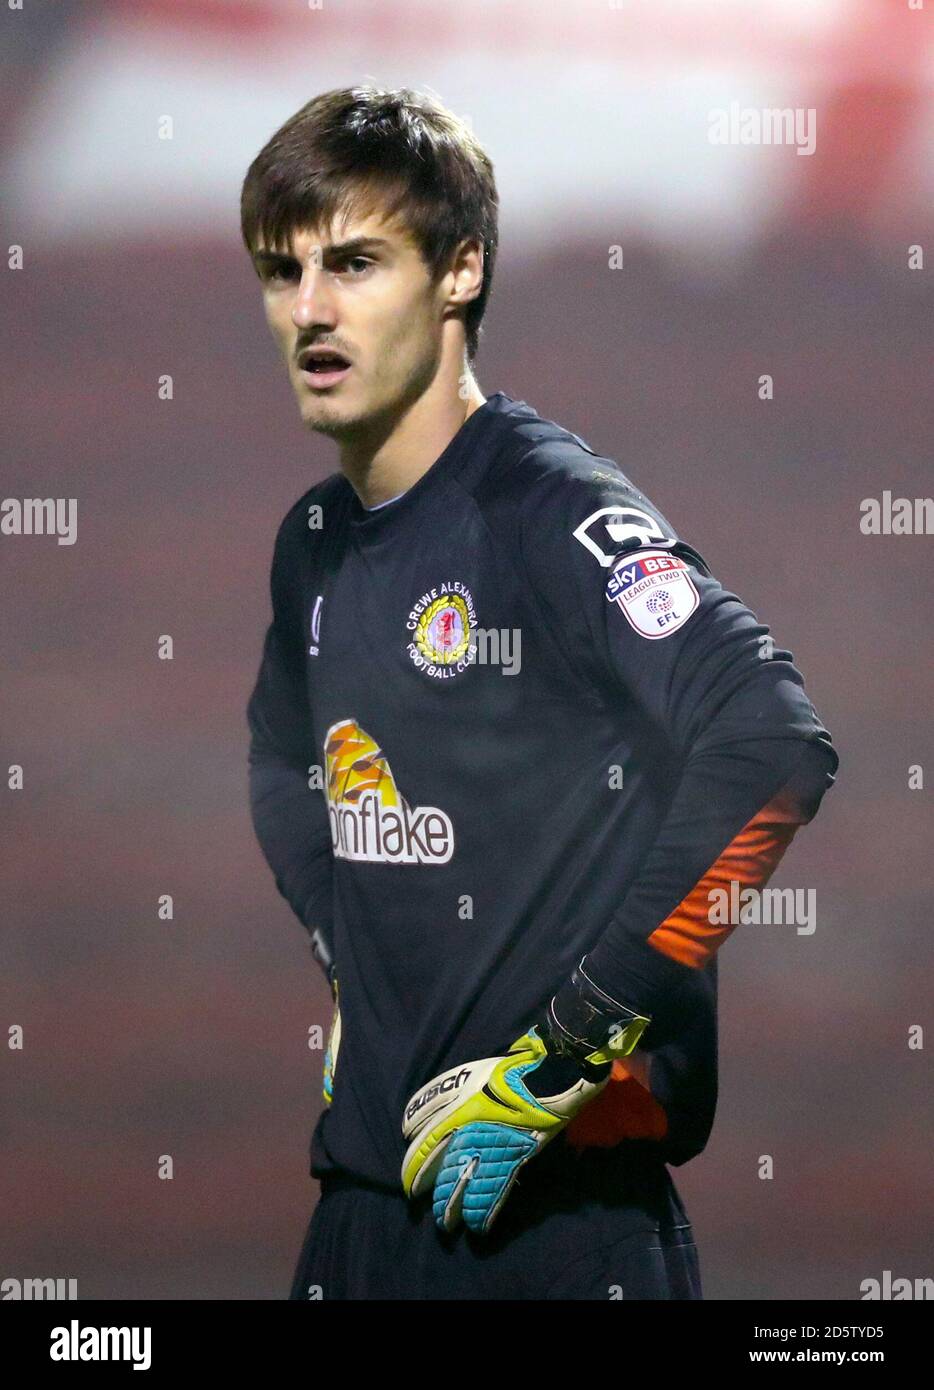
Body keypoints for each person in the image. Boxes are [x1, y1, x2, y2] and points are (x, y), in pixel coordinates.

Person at [241, 85, 839, 1301]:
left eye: (354, 262)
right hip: (361, 1221)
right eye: (280, 269)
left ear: (460, 271)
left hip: (560, 1229)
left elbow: (772, 746)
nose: (309, 309)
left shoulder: (551, 508)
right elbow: (279, 768)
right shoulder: (311, 541)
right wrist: (351, 955)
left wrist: (569, 1048)